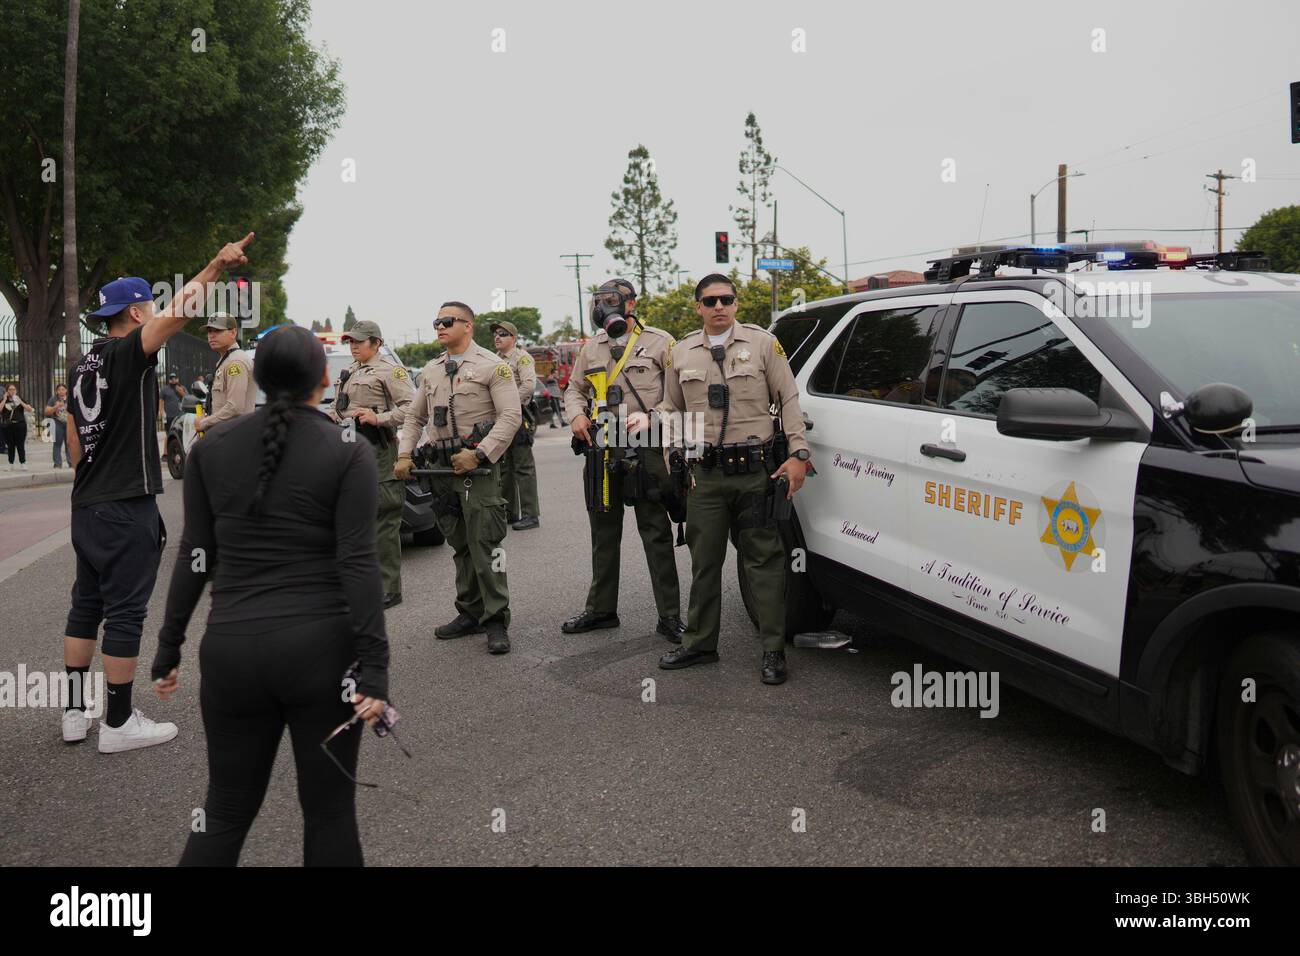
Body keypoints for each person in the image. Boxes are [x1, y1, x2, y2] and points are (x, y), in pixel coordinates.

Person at [152, 325, 389, 867]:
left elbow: (197, 554)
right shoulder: (347, 451)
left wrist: (169, 648)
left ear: (257, 378)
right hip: (322, 655)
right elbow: (358, 564)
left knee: (225, 809)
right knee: (329, 812)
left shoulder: (211, 448)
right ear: (324, 379)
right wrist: (375, 668)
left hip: (233, 649)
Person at [60, 233, 253, 752]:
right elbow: (180, 313)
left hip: (87, 502)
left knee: (86, 606)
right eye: (149, 305)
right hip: (126, 504)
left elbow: (76, 444)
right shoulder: (129, 353)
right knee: (125, 611)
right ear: (138, 312)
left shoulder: (82, 365)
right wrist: (215, 264)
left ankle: (75, 713)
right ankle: (119, 722)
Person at [656, 274, 811, 685]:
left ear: (736, 303)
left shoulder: (762, 343)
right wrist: (674, 451)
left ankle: (773, 650)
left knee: (763, 561)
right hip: (704, 476)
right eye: (710, 301)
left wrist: (798, 453)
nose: (719, 306)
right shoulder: (682, 352)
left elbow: (789, 398)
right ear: (698, 307)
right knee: (704, 562)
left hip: (755, 474)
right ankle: (700, 644)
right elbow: (669, 407)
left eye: (726, 299)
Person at [561, 279, 684, 642]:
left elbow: (678, 395)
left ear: (631, 303)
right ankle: (601, 610)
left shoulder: (661, 342)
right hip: (602, 446)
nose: (603, 307)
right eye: (598, 301)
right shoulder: (592, 347)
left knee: (655, 532)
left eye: (611, 300)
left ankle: (670, 616)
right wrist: (576, 416)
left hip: (645, 446)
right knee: (603, 532)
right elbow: (574, 389)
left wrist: (654, 417)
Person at [394, 302, 521, 653]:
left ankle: (496, 619)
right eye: (436, 321)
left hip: (477, 468)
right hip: (441, 469)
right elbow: (413, 418)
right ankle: (470, 612)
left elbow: (511, 416)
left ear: (468, 326)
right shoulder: (431, 371)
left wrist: (479, 453)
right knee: (460, 544)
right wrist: (405, 453)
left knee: (485, 544)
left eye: (447, 321)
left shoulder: (492, 367)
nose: (439, 326)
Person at [332, 320, 414, 608]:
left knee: (385, 521)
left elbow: (411, 409)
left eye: (359, 341)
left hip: (378, 450)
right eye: (350, 341)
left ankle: (390, 588)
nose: (353, 345)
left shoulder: (390, 371)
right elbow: (338, 408)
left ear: (376, 343)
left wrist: (379, 418)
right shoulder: (351, 371)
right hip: (350, 451)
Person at [492, 320, 541, 530]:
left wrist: (509, 406)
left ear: (513, 338)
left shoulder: (522, 358)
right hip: (501, 419)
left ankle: (531, 515)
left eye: (503, 334)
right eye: (495, 334)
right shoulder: (494, 360)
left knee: (523, 466)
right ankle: (510, 512)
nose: (497, 337)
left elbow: (529, 386)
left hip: (519, 416)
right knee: (505, 466)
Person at [193, 313, 254, 433]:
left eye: (218, 331)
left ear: (233, 332)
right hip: (226, 436)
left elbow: (235, 408)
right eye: (209, 331)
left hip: (234, 438)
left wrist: (204, 422)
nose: (211, 335)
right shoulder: (227, 361)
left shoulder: (235, 362)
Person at [2, 384, 34, 470]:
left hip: (20, 425)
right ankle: (10, 463)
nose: (12, 391)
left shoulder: (20, 400)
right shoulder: (4, 400)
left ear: (16, 391)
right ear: (7, 391)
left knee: (20, 445)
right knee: (10, 445)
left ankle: (23, 462)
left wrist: (20, 401)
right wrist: (4, 399)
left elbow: (30, 409)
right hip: (8, 426)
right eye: (10, 389)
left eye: (14, 389)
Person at [44, 384, 70, 469]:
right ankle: (57, 464)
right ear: (57, 391)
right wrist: (56, 406)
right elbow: (46, 412)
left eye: (63, 389)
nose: (61, 391)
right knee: (57, 444)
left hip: (69, 424)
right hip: (57, 422)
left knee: (69, 444)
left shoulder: (71, 398)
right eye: (59, 390)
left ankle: (71, 463)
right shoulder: (53, 399)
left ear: (66, 390)